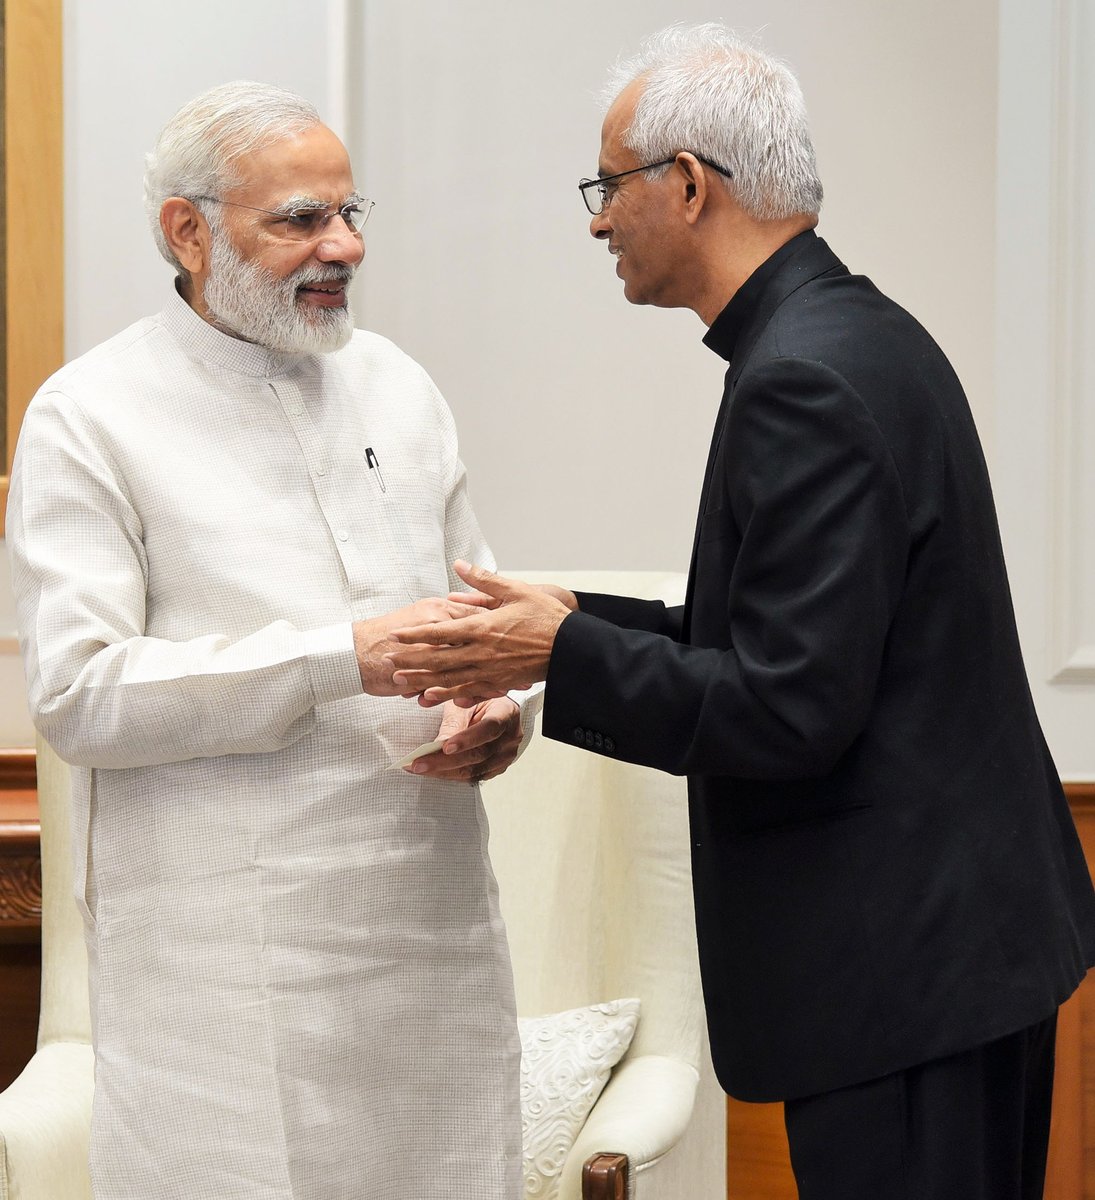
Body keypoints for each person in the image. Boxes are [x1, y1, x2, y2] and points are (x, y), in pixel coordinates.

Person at [385, 24, 1095, 1200]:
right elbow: (774, 634)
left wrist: (557, 648)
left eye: (609, 187)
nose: (598, 220)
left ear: (690, 184)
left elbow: (786, 709)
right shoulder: (850, 333)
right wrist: (569, 621)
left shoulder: (800, 379)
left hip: (905, 982)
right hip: (955, 953)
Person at [6, 81, 531, 1200]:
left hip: (426, 939)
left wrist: (497, 712)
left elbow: (475, 617)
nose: (341, 246)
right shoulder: (89, 414)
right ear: (188, 232)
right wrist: (341, 656)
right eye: (299, 218)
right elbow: (80, 694)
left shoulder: (398, 387)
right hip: (225, 978)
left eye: (350, 214)